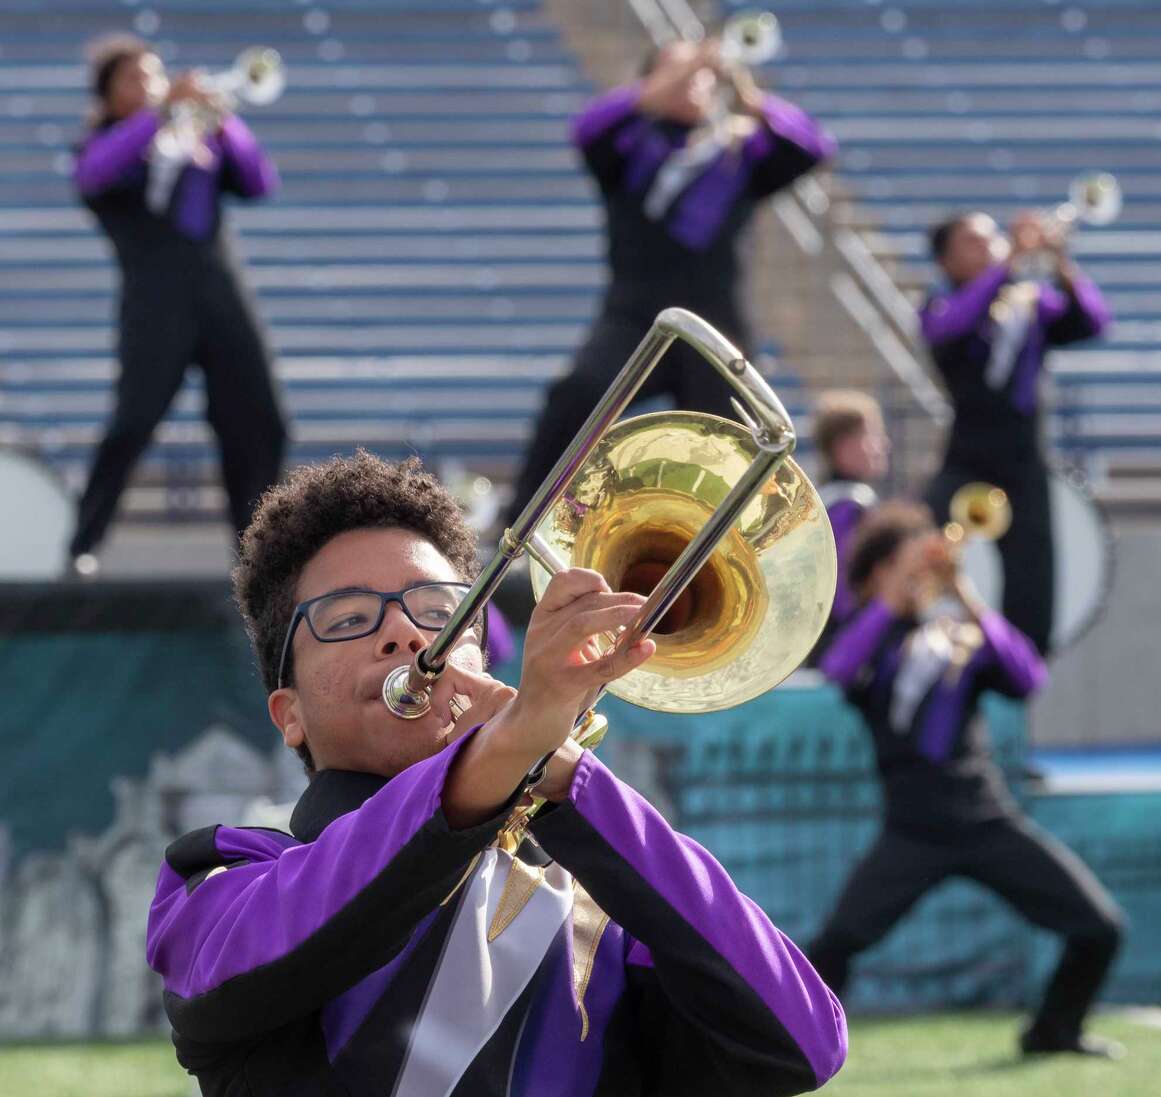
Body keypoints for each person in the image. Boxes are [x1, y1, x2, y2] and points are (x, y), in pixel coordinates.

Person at [146, 451, 847, 1096]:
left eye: (438, 610)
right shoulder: (222, 878)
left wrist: (568, 776)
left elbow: (802, 1042)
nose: (408, 635)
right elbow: (288, 928)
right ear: (288, 712)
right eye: (350, 617)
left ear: (481, 653)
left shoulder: (606, 908)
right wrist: (499, 757)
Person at [807, 501, 1125, 1059]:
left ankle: (1053, 1031)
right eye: (911, 563)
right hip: (911, 831)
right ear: (880, 570)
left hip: (986, 820)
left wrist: (968, 595)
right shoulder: (871, 637)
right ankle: (801, 1043)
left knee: (1100, 929)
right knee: (836, 945)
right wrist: (892, 598)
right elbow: (836, 671)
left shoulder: (959, 633)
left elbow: (1028, 678)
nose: (925, 573)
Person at [505, 37, 837, 524]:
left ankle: (742, 538)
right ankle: (521, 522)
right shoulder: (629, 145)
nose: (694, 83)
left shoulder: (736, 151)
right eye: (680, 73)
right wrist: (673, 77)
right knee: (577, 395)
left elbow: (811, 148)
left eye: (703, 77)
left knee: (736, 435)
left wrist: (749, 94)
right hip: (635, 314)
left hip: (716, 322)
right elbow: (587, 129)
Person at [68, 35, 287, 576]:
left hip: (222, 295)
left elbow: (261, 182)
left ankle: (258, 560)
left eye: (156, 75)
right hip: (155, 303)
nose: (150, 86)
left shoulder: (196, 138)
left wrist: (223, 121)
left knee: (260, 421)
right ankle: (81, 547)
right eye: (134, 79)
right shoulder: (106, 146)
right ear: (108, 95)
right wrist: (162, 111)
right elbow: (93, 173)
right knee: (134, 422)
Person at [920, 210, 1110, 654]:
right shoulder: (939, 302)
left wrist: (1060, 261)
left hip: (1023, 454)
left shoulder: (1027, 303)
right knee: (926, 538)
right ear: (944, 261)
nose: (989, 249)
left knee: (1033, 566)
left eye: (992, 240)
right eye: (973, 243)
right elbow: (949, 327)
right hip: (966, 450)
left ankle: (1020, 658)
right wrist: (1009, 265)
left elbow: (1094, 322)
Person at [811, 390, 891, 636]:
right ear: (843, 447)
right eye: (872, 435)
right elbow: (844, 596)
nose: (884, 445)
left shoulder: (831, 498)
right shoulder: (847, 506)